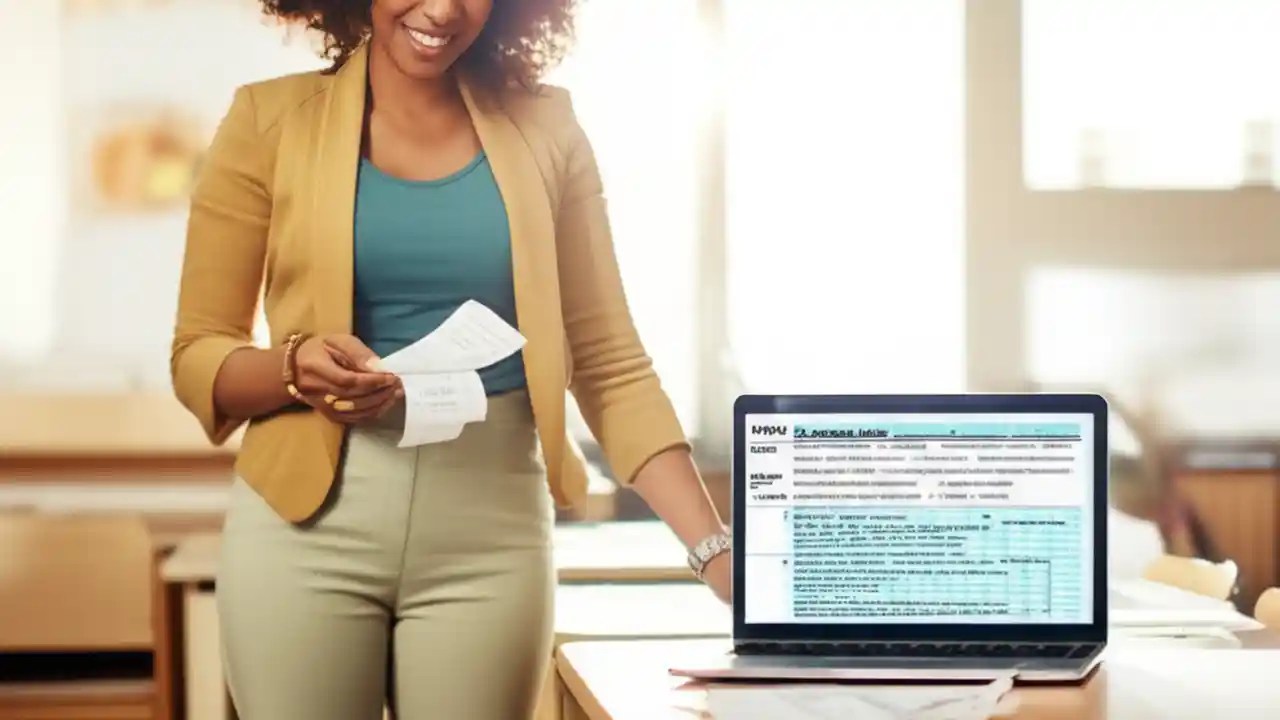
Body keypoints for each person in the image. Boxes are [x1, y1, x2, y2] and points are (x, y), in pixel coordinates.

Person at [170, 1, 731, 718]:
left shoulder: (547, 127)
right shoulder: (267, 121)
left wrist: (716, 555)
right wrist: (292, 367)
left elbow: (609, 362)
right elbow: (198, 354)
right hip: (304, 534)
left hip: (489, 536)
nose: (441, 8)